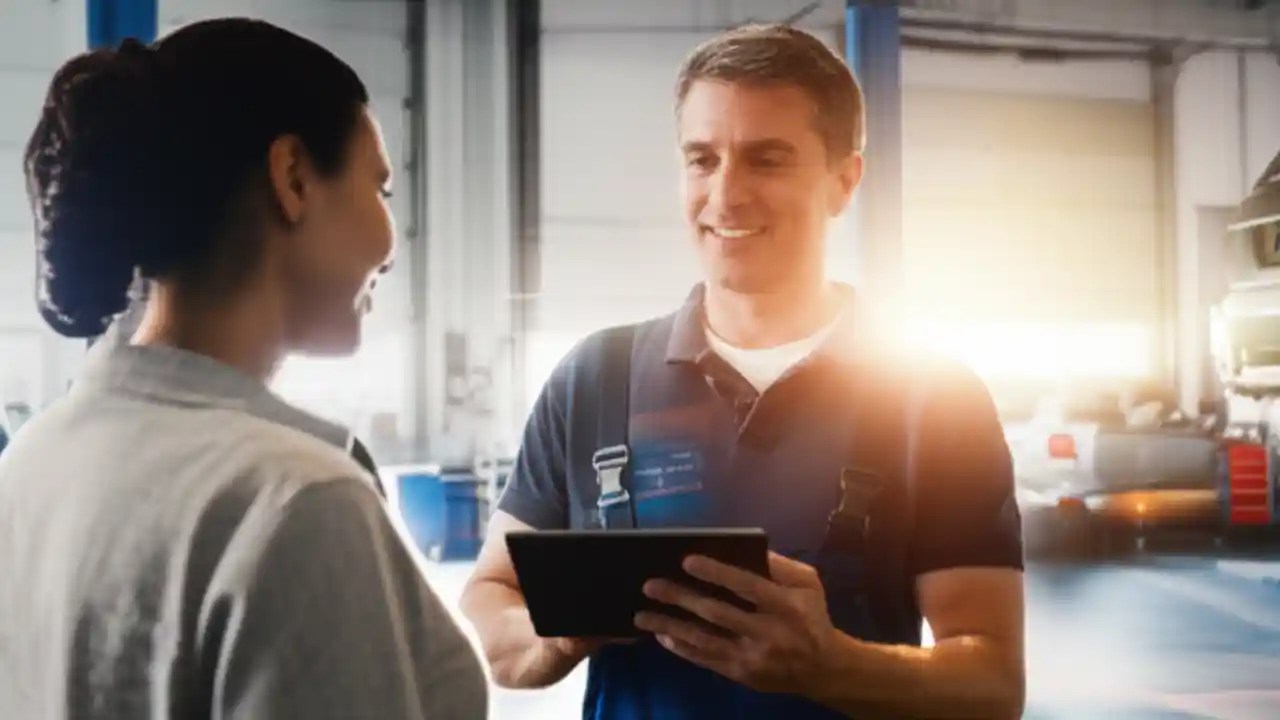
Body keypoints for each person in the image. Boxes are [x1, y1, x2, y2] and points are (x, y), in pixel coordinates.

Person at [461, 24, 1025, 719]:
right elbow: (491, 600)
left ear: (844, 181)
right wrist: (558, 636)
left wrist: (831, 665)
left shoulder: (935, 400)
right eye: (702, 160)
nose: (725, 196)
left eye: (767, 160)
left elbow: (992, 683)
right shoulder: (593, 381)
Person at [0, 19, 486, 719]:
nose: (390, 246)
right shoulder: (296, 500)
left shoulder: (37, 459)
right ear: (292, 179)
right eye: (379, 189)